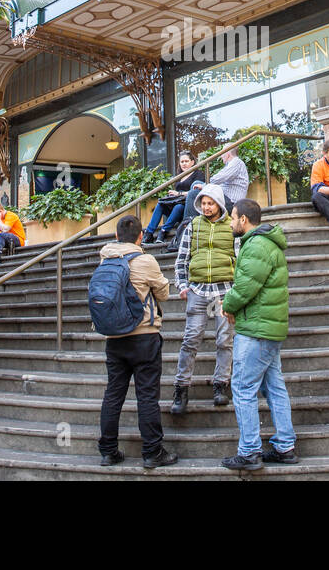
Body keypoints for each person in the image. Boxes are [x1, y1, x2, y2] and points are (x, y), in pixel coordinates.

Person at [96, 215, 177, 469]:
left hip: (114, 337)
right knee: (147, 395)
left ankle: (108, 451)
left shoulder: (106, 258)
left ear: (117, 236)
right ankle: (152, 451)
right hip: (144, 335)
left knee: (113, 394)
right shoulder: (145, 260)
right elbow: (164, 292)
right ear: (141, 236)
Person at [220, 199, 296, 470]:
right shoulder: (263, 243)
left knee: (242, 388)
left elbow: (244, 288)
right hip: (268, 327)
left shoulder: (256, 245)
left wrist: (227, 305)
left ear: (244, 220)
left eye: (233, 217)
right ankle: (285, 445)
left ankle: (250, 450)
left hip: (256, 330)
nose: (230, 222)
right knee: (274, 387)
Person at [170, 183, 237, 414]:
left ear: (219, 203)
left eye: (210, 203)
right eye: (203, 203)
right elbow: (182, 258)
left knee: (224, 341)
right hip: (198, 291)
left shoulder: (231, 226)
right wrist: (182, 285)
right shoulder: (193, 226)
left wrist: (237, 289)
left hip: (224, 291)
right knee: (190, 340)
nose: (207, 207)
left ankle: (221, 385)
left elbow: (239, 258)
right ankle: (181, 388)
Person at [142, 151, 204, 244]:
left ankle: (163, 232)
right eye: (182, 162)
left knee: (178, 207)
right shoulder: (179, 176)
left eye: (186, 161)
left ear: (192, 162)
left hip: (187, 207)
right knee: (161, 204)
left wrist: (179, 193)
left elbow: (196, 192)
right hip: (177, 203)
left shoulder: (198, 174)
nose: (184, 164)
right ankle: (149, 233)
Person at [182, 145, 248, 220]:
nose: (221, 156)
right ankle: (196, 220)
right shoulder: (231, 164)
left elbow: (221, 177)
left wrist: (205, 185)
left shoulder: (236, 162)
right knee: (196, 184)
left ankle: (187, 225)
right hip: (225, 198)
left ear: (227, 154)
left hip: (232, 203)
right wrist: (204, 185)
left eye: (222, 153)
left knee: (193, 194)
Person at [0, 200, 25, 265]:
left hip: (18, 240)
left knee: (1, 234)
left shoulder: (11, 215)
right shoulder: (0, 219)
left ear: (0, 211)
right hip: (6, 238)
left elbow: (5, 229)